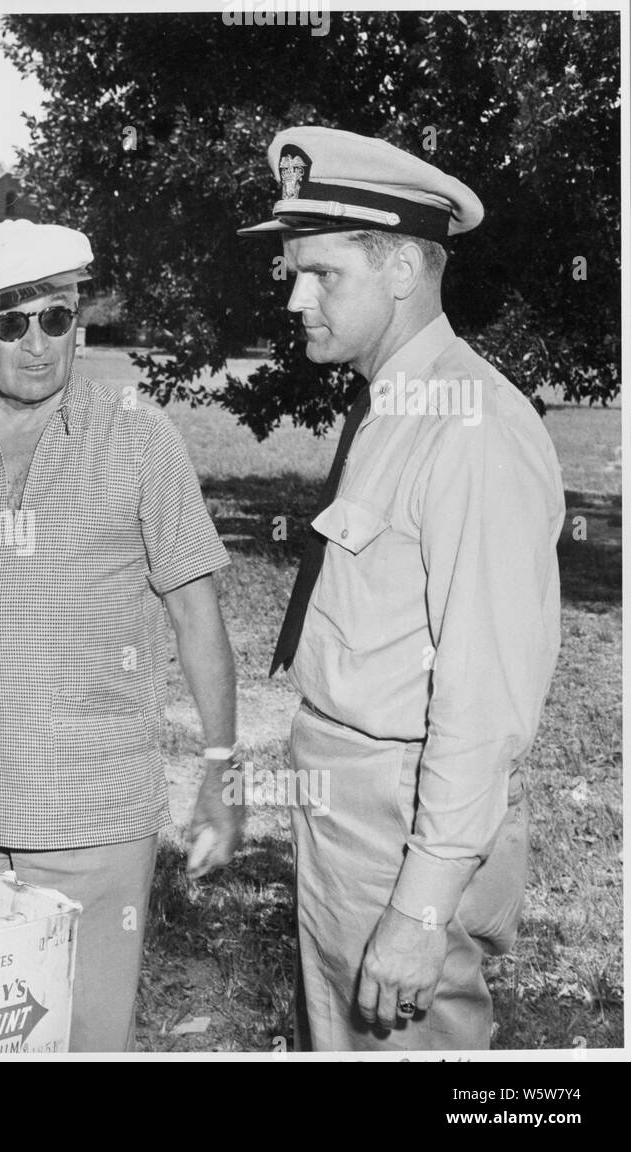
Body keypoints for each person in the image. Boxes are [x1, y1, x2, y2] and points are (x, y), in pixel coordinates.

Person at [0, 219, 239, 1051]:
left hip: (95, 817)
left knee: (87, 1043)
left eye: (56, 319)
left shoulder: (139, 441)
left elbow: (197, 612)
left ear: (79, 321)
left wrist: (218, 770)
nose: (37, 346)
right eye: (11, 322)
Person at [240, 126, 565, 1050]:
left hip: (400, 806)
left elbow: (486, 697)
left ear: (402, 269)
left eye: (322, 274)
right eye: (292, 273)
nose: (296, 298)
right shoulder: (394, 401)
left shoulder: (473, 430)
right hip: (348, 790)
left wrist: (421, 911)